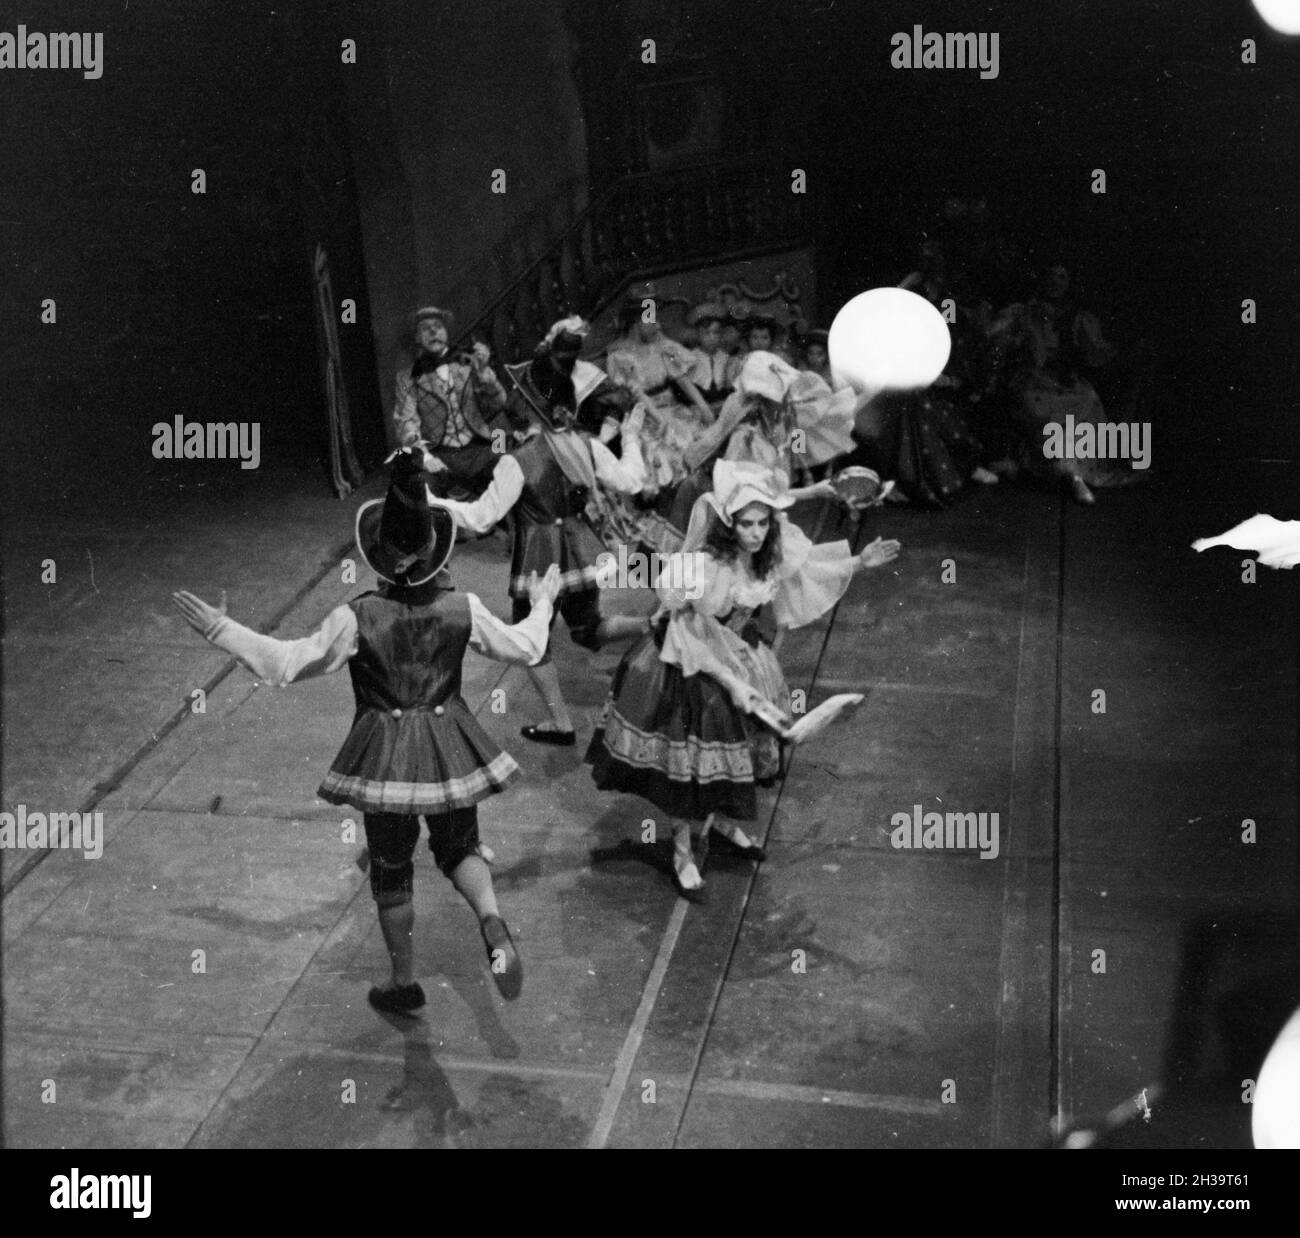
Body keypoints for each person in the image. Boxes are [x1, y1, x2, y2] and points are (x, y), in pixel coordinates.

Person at [172, 449, 563, 1014]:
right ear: (437, 550)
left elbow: (287, 663)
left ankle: (403, 982)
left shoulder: (356, 616)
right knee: (459, 847)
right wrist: (544, 604)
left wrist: (222, 629)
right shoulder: (464, 608)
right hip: (448, 744)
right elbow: (526, 647)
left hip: (385, 757)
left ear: (380, 557)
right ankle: (492, 922)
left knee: (391, 868)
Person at [587, 459, 901, 898]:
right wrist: (732, 683)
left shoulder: (767, 558)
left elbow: (810, 572)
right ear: (729, 525)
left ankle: (719, 825)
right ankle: (681, 851)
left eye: (762, 524)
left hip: (741, 656)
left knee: (740, 754)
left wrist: (860, 562)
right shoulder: (704, 568)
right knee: (689, 767)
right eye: (747, 524)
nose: (755, 533)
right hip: (689, 663)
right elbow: (684, 630)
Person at [433, 320, 653, 746]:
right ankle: (654, 626)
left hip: (538, 558)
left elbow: (480, 518)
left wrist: (436, 504)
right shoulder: (584, 444)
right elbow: (630, 481)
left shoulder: (518, 460)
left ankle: (560, 722)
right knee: (587, 626)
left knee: (529, 639)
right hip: (582, 549)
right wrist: (632, 437)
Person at [987, 263, 1146, 504]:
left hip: (1063, 379)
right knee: (1032, 402)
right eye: (1050, 275)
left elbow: (1098, 351)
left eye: (1062, 276)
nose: (1055, 282)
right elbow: (998, 339)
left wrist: (1125, 352)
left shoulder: (1078, 316)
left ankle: (1076, 473)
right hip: (1033, 378)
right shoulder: (1025, 311)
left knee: (1087, 398)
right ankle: (1054, 471)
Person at [392, 305, 525, 501]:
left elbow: (498, 404)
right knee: (417, 488)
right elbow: (406, 424)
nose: (433, 331)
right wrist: (427, 458)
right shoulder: (407, 378)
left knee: (513, 465)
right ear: (417, 338)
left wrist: (483, 372)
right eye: (425, 328)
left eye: (438, 326)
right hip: (441, 455)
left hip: (480, 445)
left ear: (446, 332)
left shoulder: (467, 363)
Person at [686, 301, 743, 413]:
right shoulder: (691, 357)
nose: (712, 338)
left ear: (721, 334)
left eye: (716, 333)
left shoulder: (725, 357)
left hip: (722, 404)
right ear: (698, 335)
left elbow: (729, 388)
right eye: (706, 333)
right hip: (700, 406)